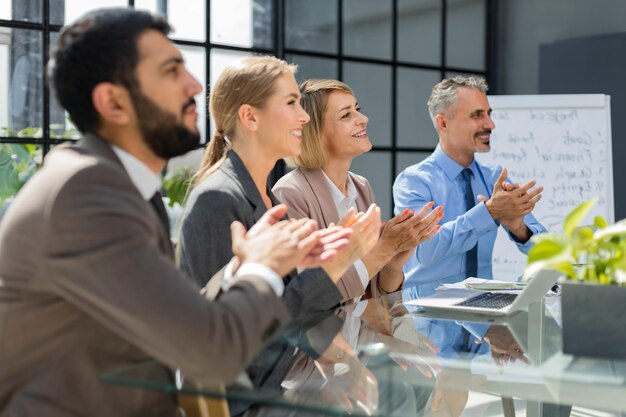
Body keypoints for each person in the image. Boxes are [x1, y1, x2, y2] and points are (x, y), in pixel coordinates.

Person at [0, 9, 348, 416]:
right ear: (113, 102)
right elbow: (209, 350)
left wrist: (244, 268)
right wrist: (263, 268)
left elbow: (177, 317)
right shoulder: (86, 193)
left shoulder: (113, 185)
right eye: (171, 72)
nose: (195, 85)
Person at [177, 56, 381, 415]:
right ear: (250, 117)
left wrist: (341, 364)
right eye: (291, 103)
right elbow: (239, 337)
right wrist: (331, 269)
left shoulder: (263, 196)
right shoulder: (218, 200)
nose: (303, 116)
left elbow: (284, 308)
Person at [273, 79, 443, 303]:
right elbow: (311, 298)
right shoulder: (290, 194)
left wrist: (393, 262)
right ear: (317, 133)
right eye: (346, 115)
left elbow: (370, 293)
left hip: (358, 335)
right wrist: (385, 248)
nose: (363, 119)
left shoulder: (361, 187)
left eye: (358, 110)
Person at [393, 76, 547, 296]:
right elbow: (425, 250)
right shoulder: (414, 182)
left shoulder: (495, 179)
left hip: (482, 315)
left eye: (488, 114)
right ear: (443, 123)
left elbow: (546, 251)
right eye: (477, 115)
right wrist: (489, 212)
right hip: (428, 321)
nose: (490, 125)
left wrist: (518, 228)